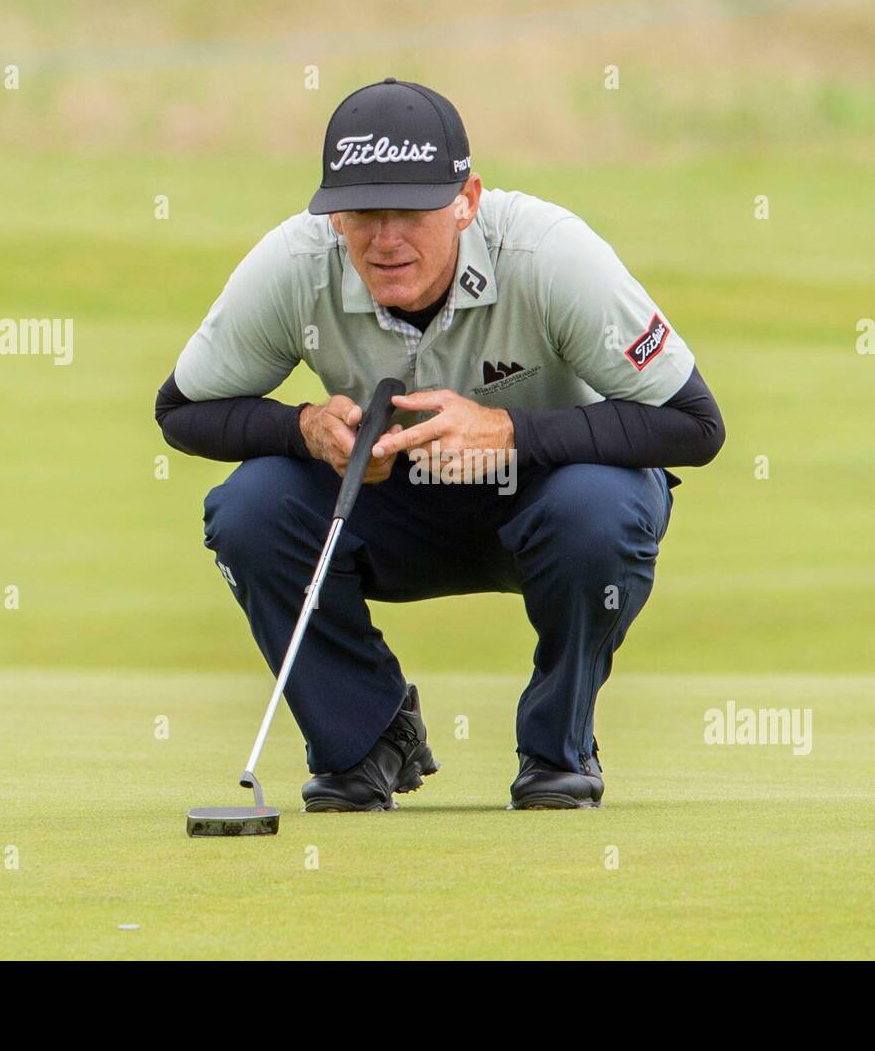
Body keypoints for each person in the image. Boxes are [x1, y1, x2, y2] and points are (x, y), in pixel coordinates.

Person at [156, 78, 725, 811]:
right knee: (251, 508)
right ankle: (365, 739)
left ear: (467, 200)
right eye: (362, 212)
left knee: (601, 509)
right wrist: (299, 428)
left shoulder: (550, 254)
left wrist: (512, 432)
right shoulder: (294, 265)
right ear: (332, 215)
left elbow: (696, 425)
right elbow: (179, 409)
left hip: (550, 505)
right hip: (385, 504)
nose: (385, 239)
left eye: (414, 210)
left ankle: (558, 749)